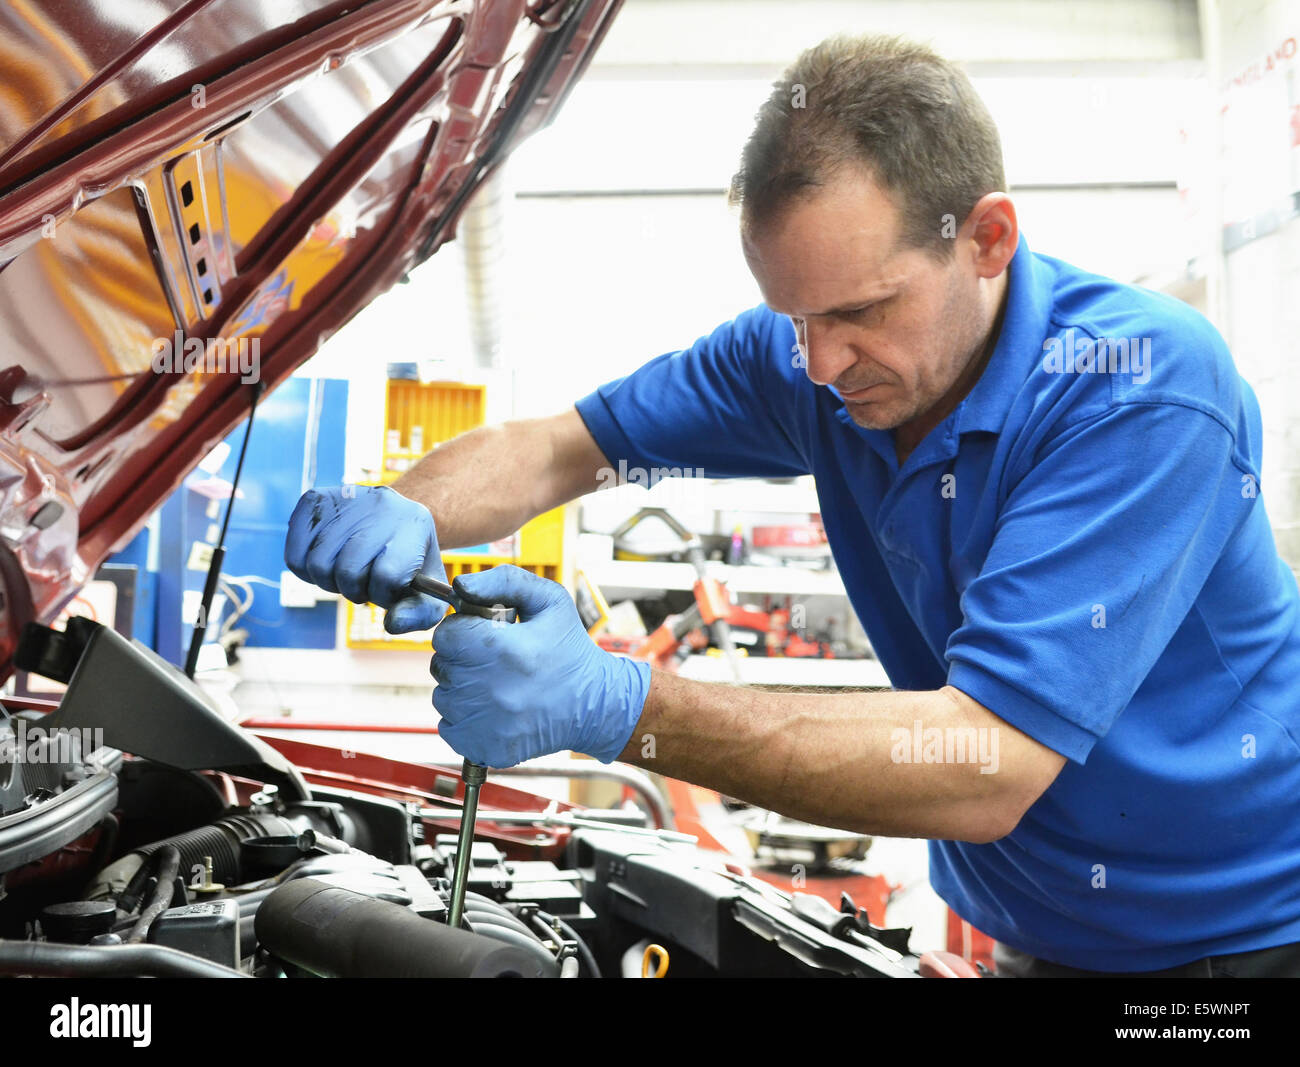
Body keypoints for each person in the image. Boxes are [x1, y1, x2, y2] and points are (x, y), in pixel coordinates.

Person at [285, 34, 1300, 977]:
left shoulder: (1137, 389)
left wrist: (615, 706)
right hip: (1035, 927)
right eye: (794, 314)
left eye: (859, 311)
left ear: (985, 238)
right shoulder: (806, 362)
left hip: (1247, 935)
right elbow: (561, 449)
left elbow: (982, 759)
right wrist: (410, 506)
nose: (819, 364)